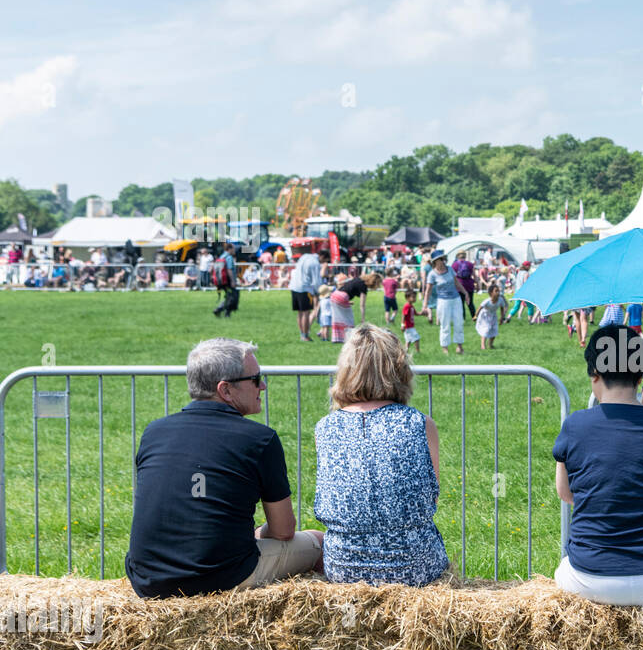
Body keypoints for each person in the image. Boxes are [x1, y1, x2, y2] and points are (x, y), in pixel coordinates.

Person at [124, 339, 324, 598]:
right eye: (256, 379)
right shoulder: (259, 439)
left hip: (147, 580)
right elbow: (283, 530)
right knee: (319, 542)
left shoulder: (153, 431)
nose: (263, 385)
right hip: (222, 575)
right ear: (226, 390)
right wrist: (258, 532)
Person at [552, 325, 643, 606]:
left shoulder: (574, 425)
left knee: (562, 572)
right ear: (641, 375)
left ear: (594, 374)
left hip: (589, 578)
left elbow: (566, 494)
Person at [313, 325, 450, 586]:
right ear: (399, 368)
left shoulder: (325, 427)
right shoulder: (420, 424)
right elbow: (431, 493)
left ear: (346, 370)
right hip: (414, 566)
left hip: (345, 567)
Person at [425, 251, 469, 354]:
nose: (443, 261)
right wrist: (425, 305)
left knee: (459, 322)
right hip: (443, 301)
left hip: (456, 299)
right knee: (445, 325)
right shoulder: (432, 274)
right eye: (441, 259)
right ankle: (445, 348)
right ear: (435, 261)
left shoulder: (450, 269)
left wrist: (465, 293)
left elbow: (456, 283)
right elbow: (428, 291)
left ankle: (459, 346)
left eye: (443, 258)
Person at [289, 249, 323, 341]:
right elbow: (316, 281)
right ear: (322, 257)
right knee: (306, 313)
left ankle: (302, 334)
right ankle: (305, 335)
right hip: (305, 288)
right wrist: (318, 292)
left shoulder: (304, 256)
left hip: (294, 286)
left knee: (300, 312)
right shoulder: (315, 262)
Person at [329, 272, 372, 343]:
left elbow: (347, 288)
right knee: (349, 320)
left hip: (334, 295)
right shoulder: (363, 287)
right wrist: (363, 318)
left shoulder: (358, 279)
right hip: (342, 297)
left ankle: (336, 338)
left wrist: (347, 302)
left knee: (337, 319)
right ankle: (349, 339)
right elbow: (362, 305)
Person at [475, 283, 507, 350]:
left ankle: (490, 344)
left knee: (494, 330)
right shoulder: (487, 301)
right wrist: (475, 316)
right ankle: (483, 345)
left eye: (498, 291)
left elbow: (502, 308)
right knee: (486, 329)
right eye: (496, 291)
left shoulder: (500, 300)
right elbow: (480, 308)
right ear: (491, 293)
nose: (498, 293)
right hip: (485, 316)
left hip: (493, 316)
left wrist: (502, 317)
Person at [212, 242, 239, 317]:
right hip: (228, 280)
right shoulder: (229, 257)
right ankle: (221, 310)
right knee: (233, 296)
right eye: (233, 249)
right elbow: (229, 270)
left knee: (229, 296)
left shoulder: (222, 256)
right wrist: (233, 281)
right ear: (229, 249)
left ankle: (223, 312)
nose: (234, 250)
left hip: (222, 280)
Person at [451, 253, 477, 317]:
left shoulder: (454, 265)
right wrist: (477, 284)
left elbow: (452, 276)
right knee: (470, 303)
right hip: (469, 285)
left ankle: (463, 318)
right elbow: (474, 275)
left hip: (459, 285)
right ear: (465, 256)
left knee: (461, 303)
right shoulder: (470, 264)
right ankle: (474, 316)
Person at [401, 289, 421, 354]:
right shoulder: (406, 306)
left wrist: (423, 313)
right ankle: (418, 352)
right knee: (417, 338)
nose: (415, 299)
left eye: (415, 297)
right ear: (407, 298)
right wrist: (402, 325)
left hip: (410, 327)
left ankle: (404, 353)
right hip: (408, 327)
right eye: (413, 297)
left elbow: (416, 314)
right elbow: (403, 315)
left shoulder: (411, 306)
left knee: (408, 341)